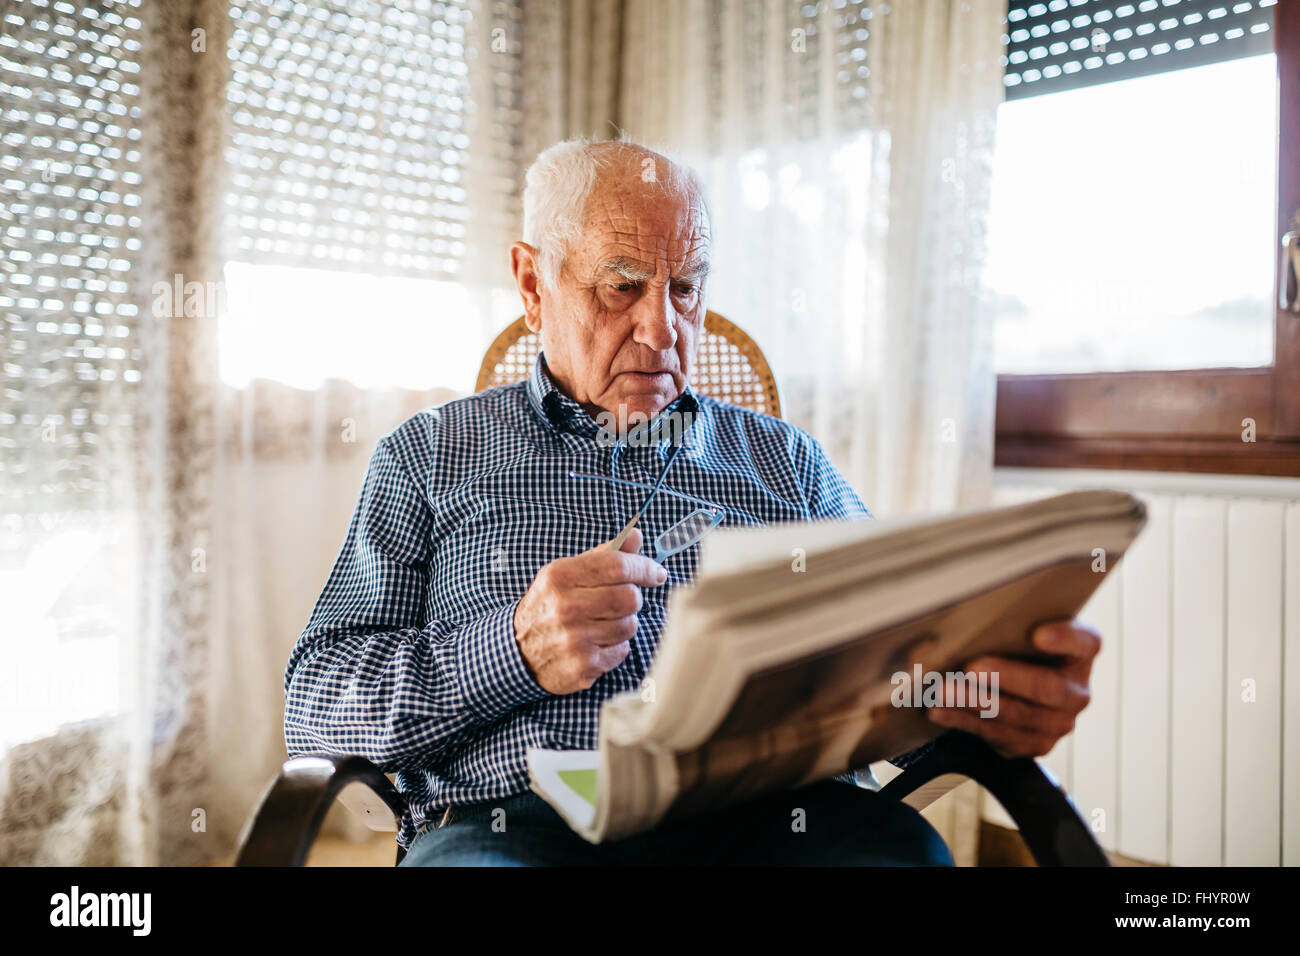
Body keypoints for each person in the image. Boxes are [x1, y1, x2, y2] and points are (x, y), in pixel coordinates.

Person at [283, 138, 1100, 866]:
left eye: (685, 288)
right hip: (517, 824)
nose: (662, 328)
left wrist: (982, 697)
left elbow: (893, 658)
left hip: (787, 821)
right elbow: (315, 706)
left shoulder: (789, 464)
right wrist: (512, 651)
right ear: (534, 285)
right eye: (622, 286)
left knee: (903, 856)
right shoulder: (428, 456)